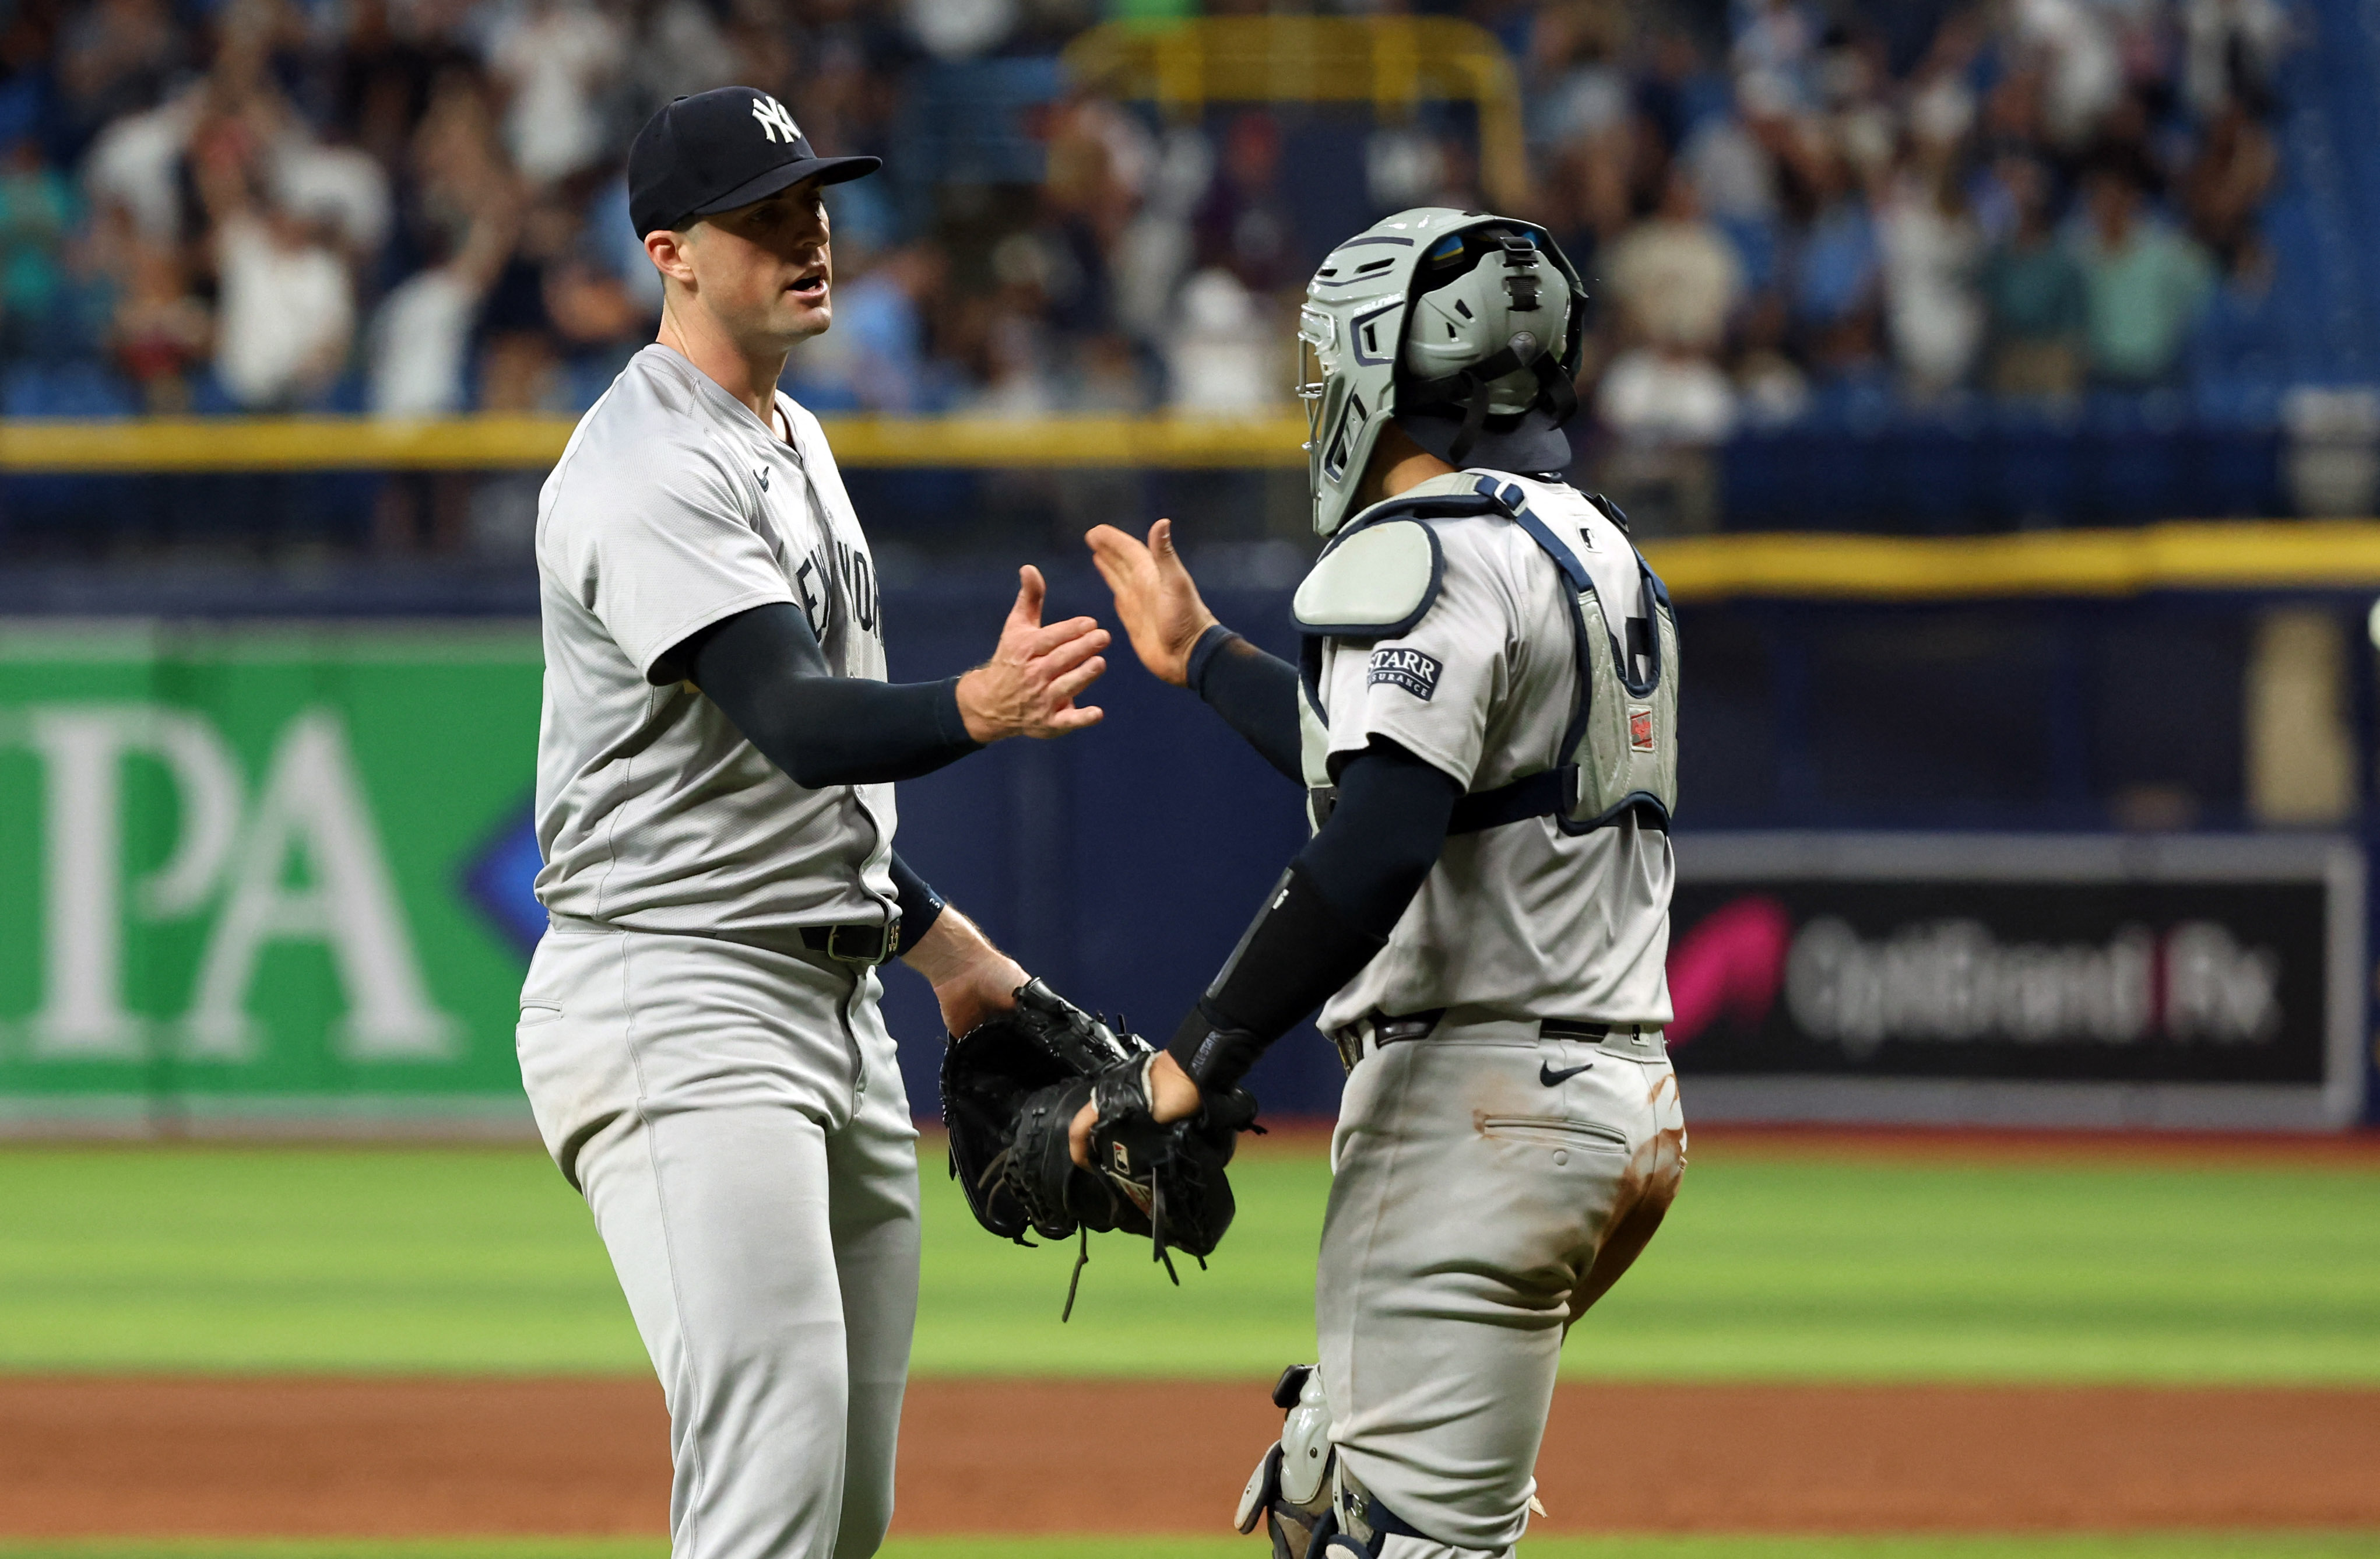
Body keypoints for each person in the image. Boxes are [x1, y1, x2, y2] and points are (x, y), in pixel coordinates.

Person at [514, 86, 1110, 1559]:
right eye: (761, 215)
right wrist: (972, 706)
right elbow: (791, 716)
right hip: (678, 991)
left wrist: (950, 954)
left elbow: (784, 802)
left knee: (840, 1512)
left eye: (812, 199)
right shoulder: (647, 462)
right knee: (768, 1482)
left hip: (824, 1002)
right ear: (670, 252)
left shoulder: (792, 440)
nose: (808, 231)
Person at [1084, 208, 1688, 1558]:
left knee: (1383, 1541)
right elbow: (1401, 768)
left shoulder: (1421, 543)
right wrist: (1202, 657)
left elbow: (1374, 844)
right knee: (1331, 1489)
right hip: (1621, 1106)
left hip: (1477, 1111)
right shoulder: (1590, 544)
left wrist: (1188, 1061)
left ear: (1379, 363)